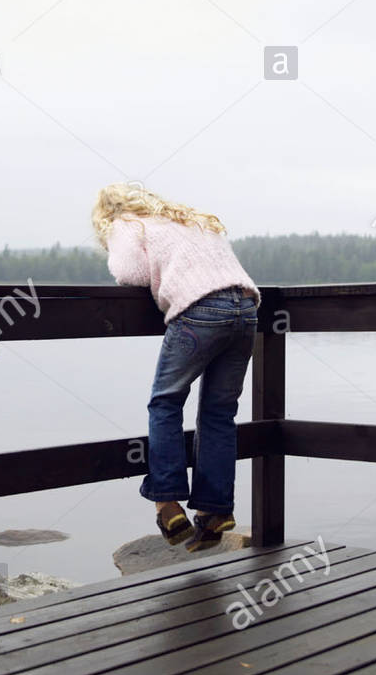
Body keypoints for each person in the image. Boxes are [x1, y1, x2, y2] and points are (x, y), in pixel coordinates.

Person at [94, 183, 260, 551]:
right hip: (246, 309)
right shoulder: (191, 220)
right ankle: (215, 510)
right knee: (219, 413)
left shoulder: (128, 223)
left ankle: (168, 503)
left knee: (165, 403)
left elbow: (127, 273)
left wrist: (118, 249)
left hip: (199, 309)